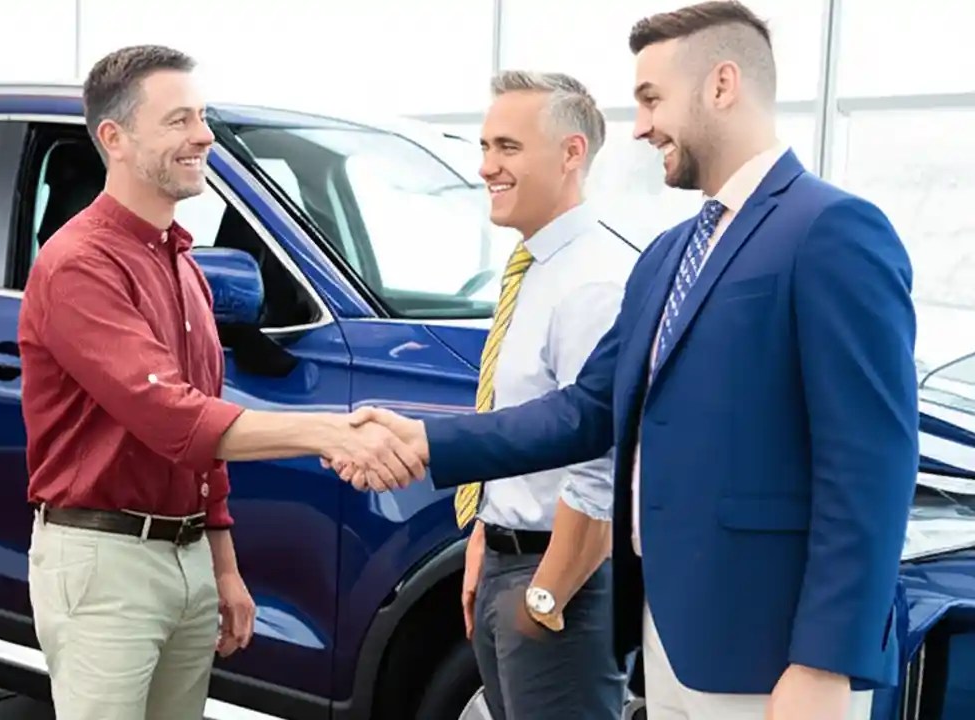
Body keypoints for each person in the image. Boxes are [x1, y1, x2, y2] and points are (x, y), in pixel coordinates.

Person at [338, 3, 918, 719]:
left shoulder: (831, 228)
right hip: (668, 639)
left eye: (651, 99)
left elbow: (870, 463)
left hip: (773, 656)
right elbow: (587, 410)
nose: (640, 127)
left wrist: (828, 660)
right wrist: (426, 440)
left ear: (721, 85)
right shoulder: (670, 252)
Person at [18, 44, 424, 720]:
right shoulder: (79, 265)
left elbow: (203, 436)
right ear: (114, 139)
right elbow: (173, 419)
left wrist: (222, 570)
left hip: (185, 557)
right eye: (179, 120)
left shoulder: (183, 265)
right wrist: (332, 432)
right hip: (106, 564)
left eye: (201, 117)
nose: (203, 135)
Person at [458, 70, 633, 720]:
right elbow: (517, 423)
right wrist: (485, 534)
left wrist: (546, 596)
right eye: (483, 147)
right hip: (510, 562)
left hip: (561, 582)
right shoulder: (533, 268)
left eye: (507, 147)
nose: (485, 168)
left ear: (570, 154)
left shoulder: (593, 283)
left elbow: (600, 464)